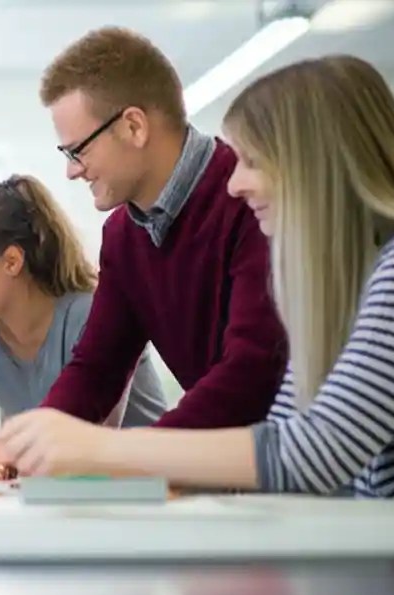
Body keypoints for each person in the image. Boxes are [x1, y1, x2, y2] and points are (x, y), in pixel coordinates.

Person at [0, 55, 394, 500]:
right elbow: (287, 428)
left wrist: (104, 450)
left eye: (254, 161)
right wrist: (35, 447)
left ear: (314, 165)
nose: (235, 183)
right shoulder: (344, 279)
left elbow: (314, 450)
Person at [35, 26, 288, 428]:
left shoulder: (252, 203)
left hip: (295, 467)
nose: (71, 171)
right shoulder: (122, 235)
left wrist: (141, 452)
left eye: (78, 150)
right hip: (224, 465)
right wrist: (25, 442)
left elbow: (252, 370)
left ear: (134, 127)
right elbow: (98, 369)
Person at [0, 174, 168, 427]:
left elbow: (90, 444)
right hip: (45, 464)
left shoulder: (93, 313)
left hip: (136, 464)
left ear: (12, 261)